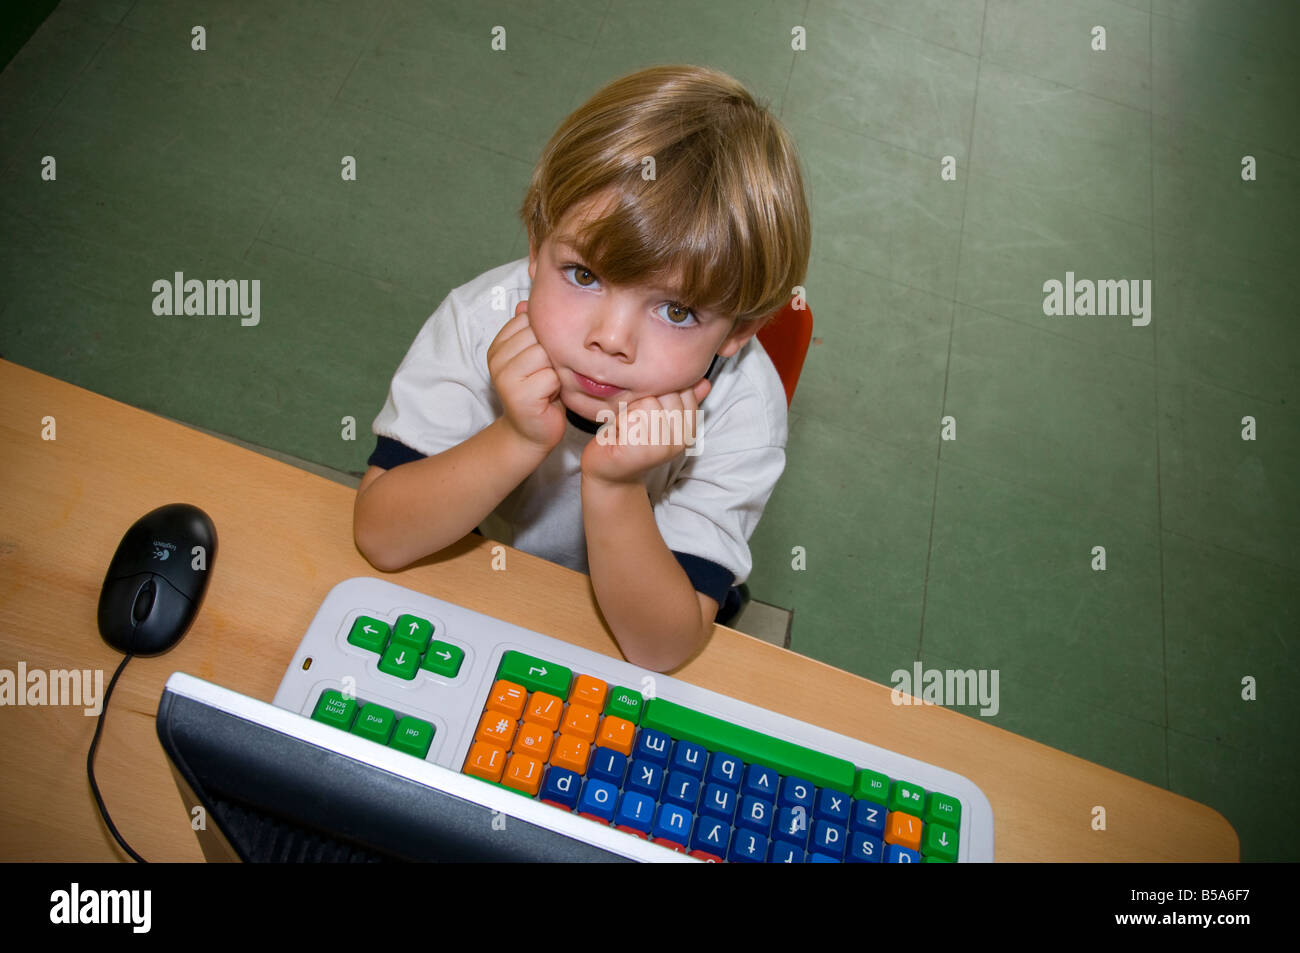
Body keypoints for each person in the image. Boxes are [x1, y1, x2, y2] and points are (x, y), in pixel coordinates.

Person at [354, 65, 811, 672]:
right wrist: (515, 436)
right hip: (471, 564)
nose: (611, 339)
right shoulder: (479, 320)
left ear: (740, 331)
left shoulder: (742, 410)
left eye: (676, 310)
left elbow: (661, 646)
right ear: (536, 244)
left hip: (646, 601)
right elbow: (382, 537)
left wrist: (616, 486)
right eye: (584, 276)